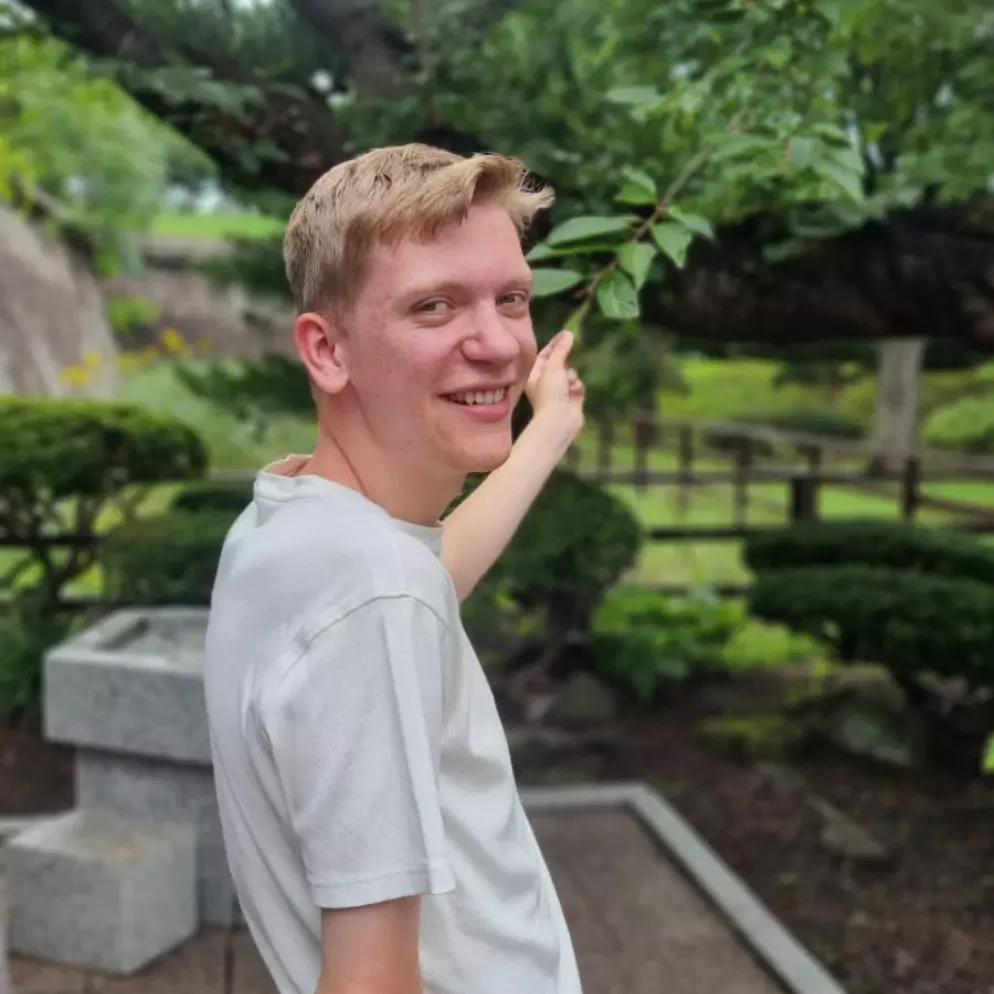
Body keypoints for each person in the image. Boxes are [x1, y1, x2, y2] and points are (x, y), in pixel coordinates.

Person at [203, 142, 586, 994]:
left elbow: (428, 577)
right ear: (327, 351)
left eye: (512, 299)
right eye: (435, 307)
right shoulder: (373, 591)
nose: (499, 344)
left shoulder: (289, 524)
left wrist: (548, 430)